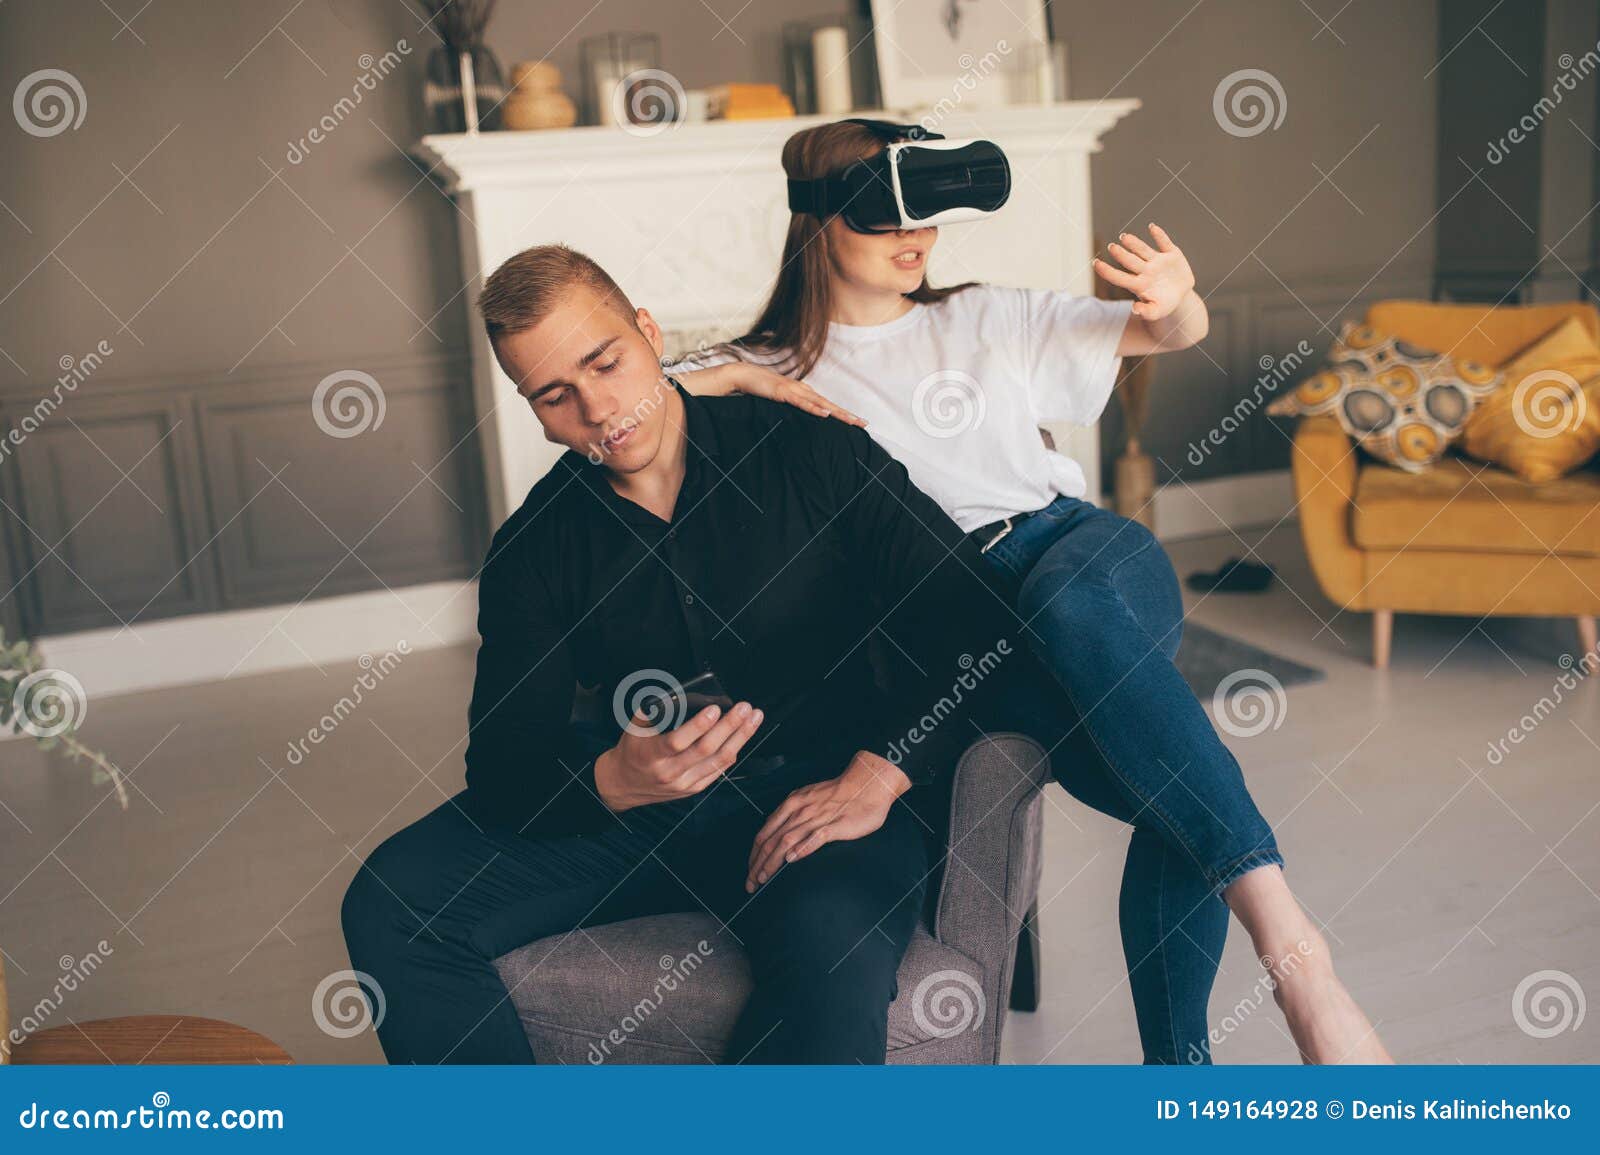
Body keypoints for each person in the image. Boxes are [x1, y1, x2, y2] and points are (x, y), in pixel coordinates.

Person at [670, 119, 1391, 1064]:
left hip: (1080, 555)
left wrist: (1178, 305)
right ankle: (1180, 1080)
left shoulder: (981, 315)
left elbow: (1165, 330)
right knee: (1171, 792)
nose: (915, 237)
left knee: (1068, 604)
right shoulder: (771, 372)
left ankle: (1300, 961)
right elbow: (617, 412)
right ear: (818, 220)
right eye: (889, 215)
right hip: (966, 623)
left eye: (927, 214)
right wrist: (721, 374)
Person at [339, 242, 1034, 1064]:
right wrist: (613, 779)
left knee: (830, 953)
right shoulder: (534, 546)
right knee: (389, 898)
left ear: (648, 331)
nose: (597, 411)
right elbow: (501, 765)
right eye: (554, 396)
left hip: (822, 794)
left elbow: (983, 627)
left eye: (606, 363)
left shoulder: (814, 452)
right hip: (637, 818)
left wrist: (880, 772)